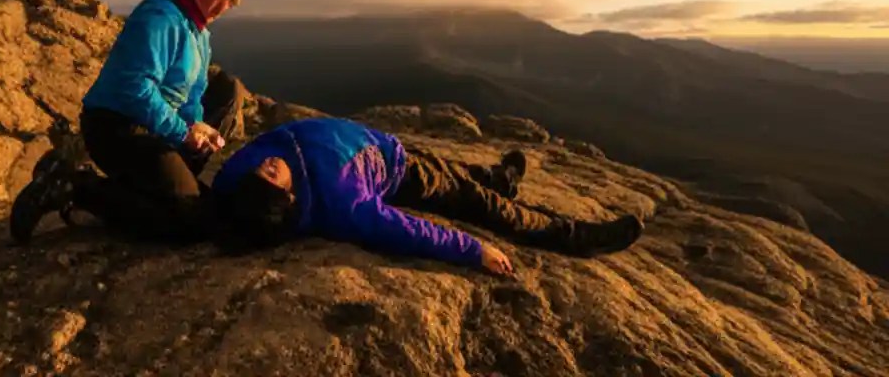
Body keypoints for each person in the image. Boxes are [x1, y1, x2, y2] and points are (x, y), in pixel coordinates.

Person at [211, 117, 644, 275]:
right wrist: (475, 250)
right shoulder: (346, 206)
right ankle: (575, 235)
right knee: (483, 205)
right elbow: (409, 231)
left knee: (459, 176)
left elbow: (223, 199)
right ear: (287, 199)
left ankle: (499, 176)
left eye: (261, 169)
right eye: (270, 175)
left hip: (386, 144)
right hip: (399, 171)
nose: (263, 165)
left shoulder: (239, 185)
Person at [10, 0, 248, 244]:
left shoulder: (199, 34)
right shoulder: (161, 17)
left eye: (228, 5)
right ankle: (72, 186)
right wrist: (182, 133)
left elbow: (193, 94)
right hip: (117, 127)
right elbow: (135, 87)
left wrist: (196, 126)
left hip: (155, 129)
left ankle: (139, 190)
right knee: (188, 220)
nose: (221, 10)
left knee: (204, 205)